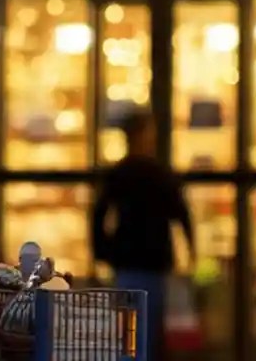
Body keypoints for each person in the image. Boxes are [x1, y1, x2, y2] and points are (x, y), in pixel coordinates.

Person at [91, 105, 194, 361]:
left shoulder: (120, 174)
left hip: (127, 261)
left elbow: (99, 215)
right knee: (149, 331)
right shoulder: (159, 174)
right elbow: (181, 215)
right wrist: (190, 252)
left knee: (128, 331)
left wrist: (103, 251)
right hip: (152, 262)